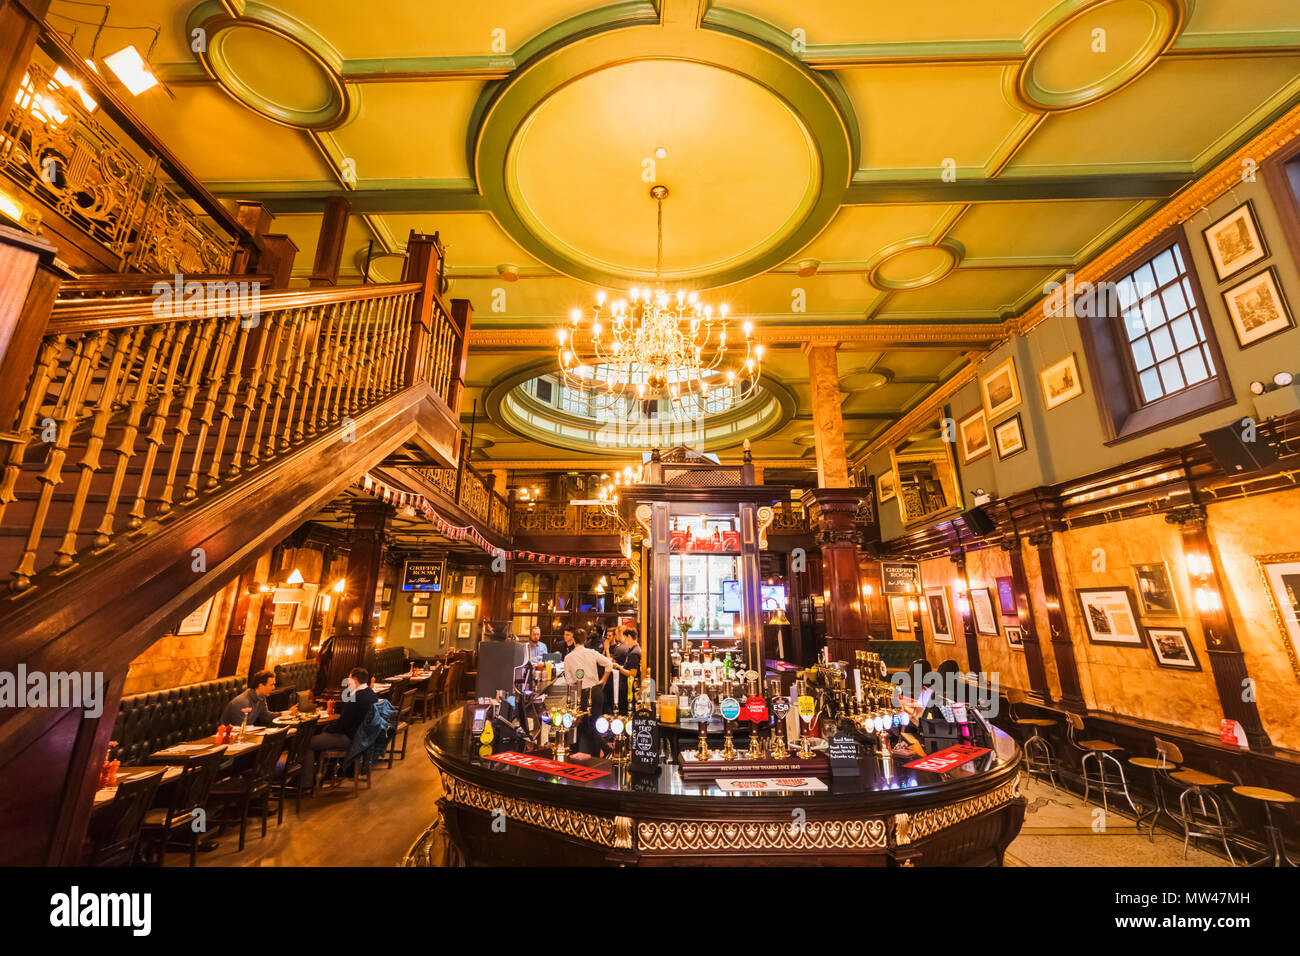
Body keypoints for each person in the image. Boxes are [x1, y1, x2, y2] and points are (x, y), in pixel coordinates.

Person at [307, 667, 378, 783]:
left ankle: (307, 782)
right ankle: (326, 772)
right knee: (323, 734)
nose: (347, 682)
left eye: (349, 679)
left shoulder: (355, 697)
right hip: (366, 737)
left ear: (355, 680)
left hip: (352, 739)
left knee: (309, 743)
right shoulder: (371, 694)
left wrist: (328, 728)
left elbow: (343, 724)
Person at [563, 641, 618, 756]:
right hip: (597, 691)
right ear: (584, 640)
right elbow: (609, 664)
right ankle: (596, 753)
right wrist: (603, 680)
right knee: (592, 725)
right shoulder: (592, 652)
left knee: (587, 725)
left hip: (584, 693)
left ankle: (604, 750)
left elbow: (569, 681)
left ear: (574, 641)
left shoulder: (568, 657)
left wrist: (577, 680)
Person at [220, 670, 292, 727]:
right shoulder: (242, 702)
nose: (274, 687)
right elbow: (240, 729)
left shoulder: (262, 697)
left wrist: (286, 713)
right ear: (261, 686)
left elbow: (266, 716)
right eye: (271, 685)